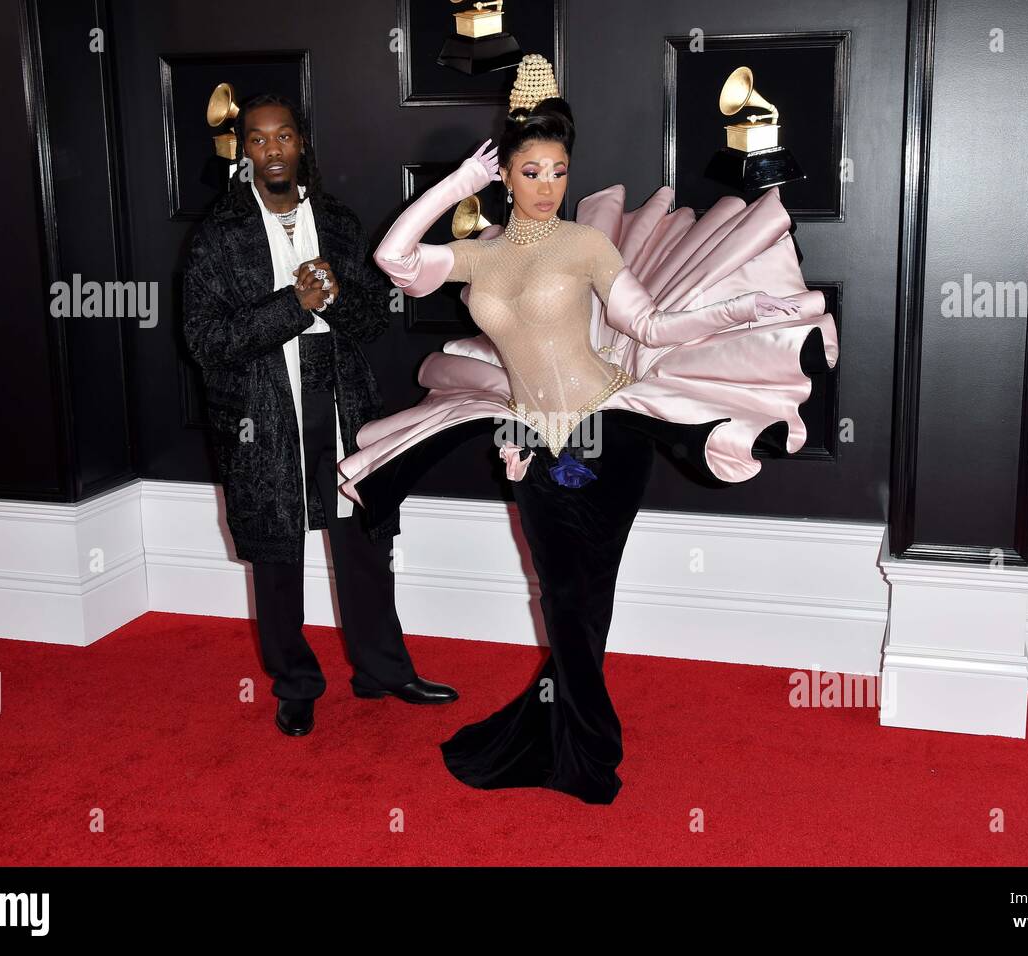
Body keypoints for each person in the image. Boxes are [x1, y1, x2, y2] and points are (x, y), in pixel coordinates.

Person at [339, 56, 838, 803]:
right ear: (504, 172)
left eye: (559, 170)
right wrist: (455, 186)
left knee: (574, 598)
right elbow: (392, 257)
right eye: (531, 170)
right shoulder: (476, 256)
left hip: (607, 436)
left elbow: (652, 324)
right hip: (536, 444)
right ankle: (558, 734)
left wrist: (744, 312)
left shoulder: (585, 246)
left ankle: (590, 755)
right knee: (567, 599)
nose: (547, 187)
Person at [182, 93, 457, 739]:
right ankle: (296, 684)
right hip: (261, 405)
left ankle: (382, 670)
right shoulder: (218, 235)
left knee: (364, 542)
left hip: (342, 397)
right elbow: (204, 341)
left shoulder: (335, 220)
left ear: (301, 143)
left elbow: (370, 323)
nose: (272, 149)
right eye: (258, 139)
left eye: (283, 136)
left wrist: (332, 300)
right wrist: (292, 304)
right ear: (243, 149)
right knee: (278, 553)